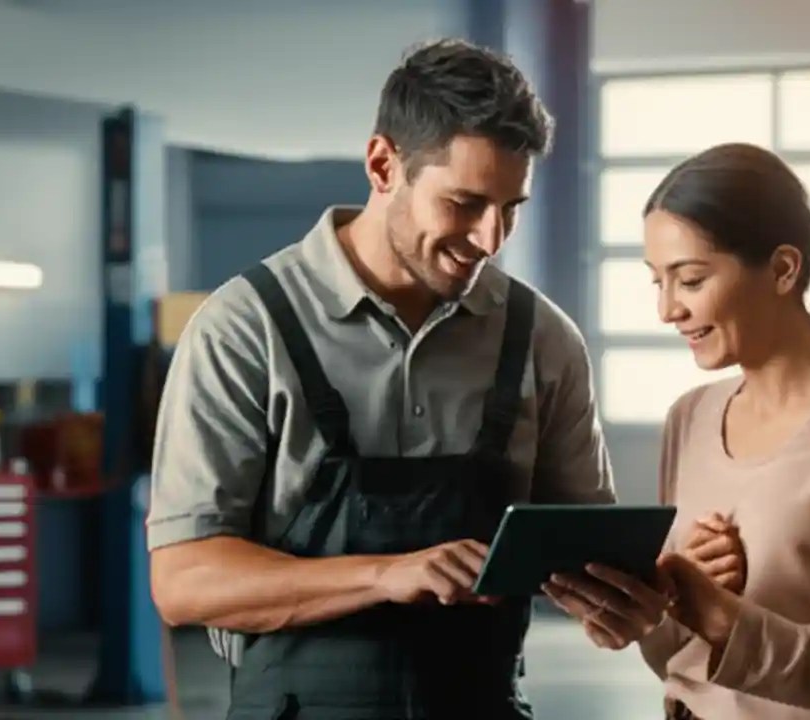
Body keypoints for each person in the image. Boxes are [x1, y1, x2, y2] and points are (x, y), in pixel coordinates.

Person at [144, 38, 634, 719]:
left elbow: (585, 547)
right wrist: (387, 573)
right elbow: (184, 580)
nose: (491, 238)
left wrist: (632, 596)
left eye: (510, 207)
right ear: (383, 165)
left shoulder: (543, 340)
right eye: (464, 203)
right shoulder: (243, 328)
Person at [542, 143, 810, 719]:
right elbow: (677, 661)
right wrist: (651, 611)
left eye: (689, 279)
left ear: (784, 269)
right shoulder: (690, 417)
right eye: (655, 281)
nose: (667, 310)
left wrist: (721, 614)